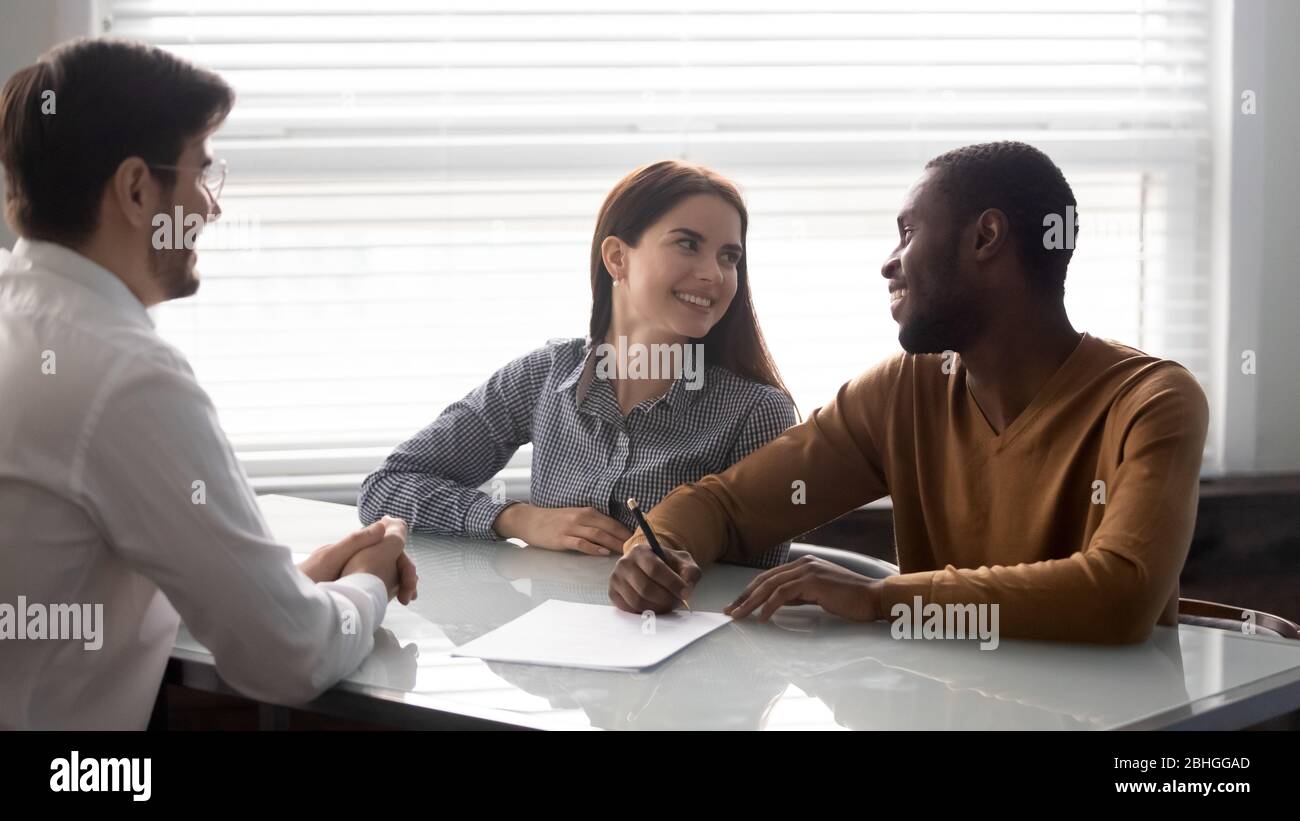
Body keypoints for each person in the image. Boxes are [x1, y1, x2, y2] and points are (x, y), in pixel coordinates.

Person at [610, 141, 1209, 644]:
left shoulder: (1152, 400)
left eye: (907, 233)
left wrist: (879, 598)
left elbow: (1121, 594)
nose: (889, 264)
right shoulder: (904, 390)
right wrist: (656, 550)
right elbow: (727, 505)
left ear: (986, 238)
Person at [0, 38, 416, 730]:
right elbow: (290, 656)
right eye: (201, 172)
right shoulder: (125, 378)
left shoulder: (24, 313)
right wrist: (371, 577)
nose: (211, 208)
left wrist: (293, 581)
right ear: (137, 189)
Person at [361, 160, 798, 567]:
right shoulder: (543, 376)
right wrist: (516, 519)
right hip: (550, 640)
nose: (714, 274)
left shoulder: (756, 413)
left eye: (729, 257)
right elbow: (388, 487)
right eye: (688, 244)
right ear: (617, 258)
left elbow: (751, 591)